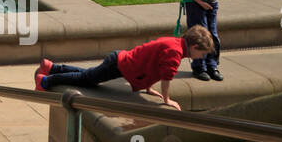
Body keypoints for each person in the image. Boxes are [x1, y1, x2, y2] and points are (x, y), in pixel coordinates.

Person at [35, 26, 215, 110]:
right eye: (202, 53)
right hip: (121, 64)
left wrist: (148, 88)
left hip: (121, 60)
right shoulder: (175, 53)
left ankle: (53, 67)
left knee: (89, 74)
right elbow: (167, 77)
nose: (202, 57)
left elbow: (151, 63)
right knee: (86, 79)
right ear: (194, 47)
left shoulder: (174, 43)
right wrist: (167, 100)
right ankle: (46, 80)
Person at [182, 0, 245, 81]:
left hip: (210, 2)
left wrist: (208, 2)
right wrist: (200, 2)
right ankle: (199, 67)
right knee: (200, 35)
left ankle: (212, 65)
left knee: (213, 35)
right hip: (194, 3)